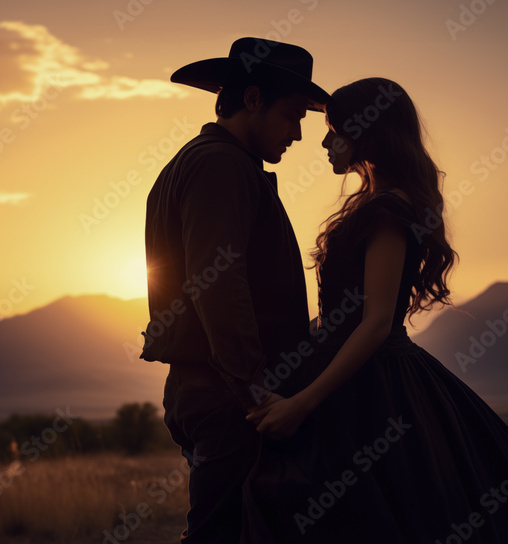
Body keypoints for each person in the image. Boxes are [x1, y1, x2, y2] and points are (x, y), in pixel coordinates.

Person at [241, 77, 508, 543]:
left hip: (371, 384)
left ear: (367, 131)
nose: (324, 140)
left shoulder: (389, 210)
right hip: (349, 372)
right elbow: (343, 316)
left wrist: (301, 402)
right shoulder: (377, 204)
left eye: (336, 129)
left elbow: (375, 323)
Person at [138, 37, 330, 543]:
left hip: (215, 389)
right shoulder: (220, 165)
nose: (297, 133)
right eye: (292, 115)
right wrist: (257, 391)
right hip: (230, 396)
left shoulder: (212, 161)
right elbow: (218, 283)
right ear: (251, 100)